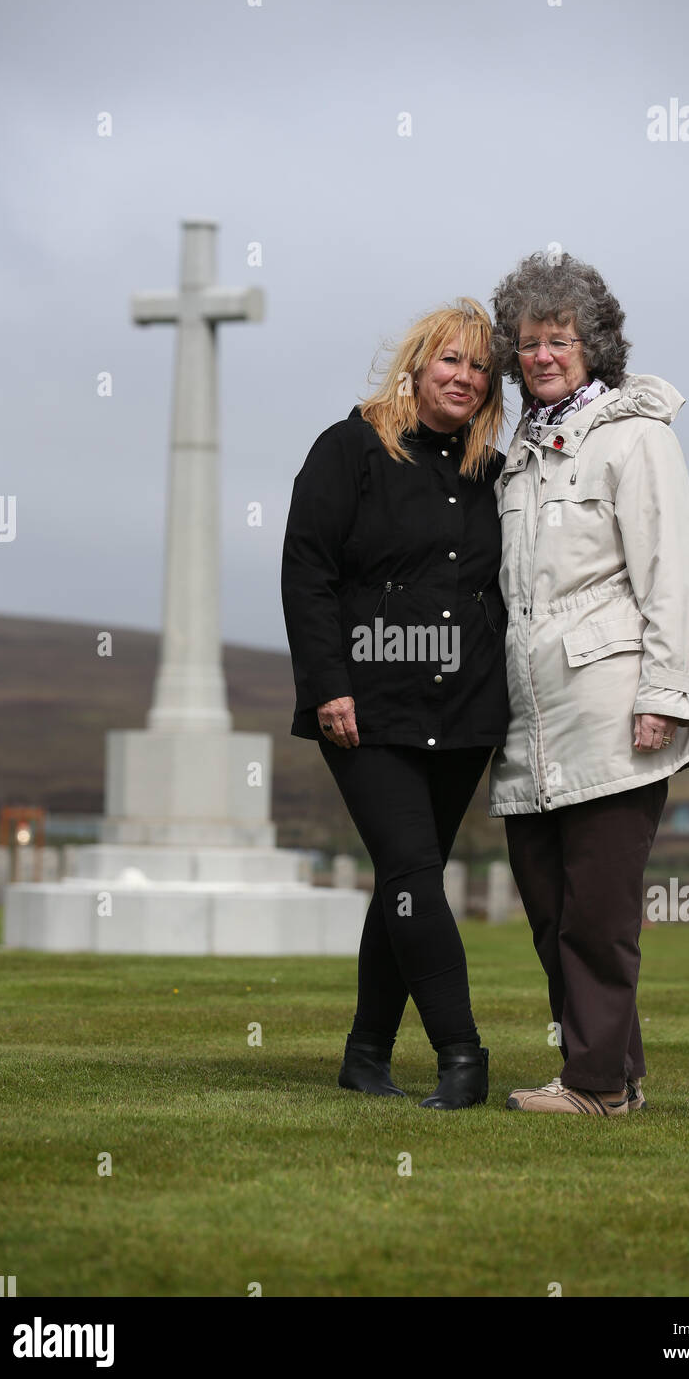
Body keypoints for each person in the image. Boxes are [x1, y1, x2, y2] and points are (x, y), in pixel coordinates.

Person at [488, 251, 689, 1115]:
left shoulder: (636, 439)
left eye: (559, 339)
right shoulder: (520, 455)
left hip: (615, 708)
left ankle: (591, 1088)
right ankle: (617, 1074)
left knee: (598, 916)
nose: (542, 355)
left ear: (593, 345)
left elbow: (673, 574)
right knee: (551, 914)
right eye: (529, 343)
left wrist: (667, 693)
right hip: (532, 719)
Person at [280, 298, 508, 1109]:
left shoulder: (490, 471)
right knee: (412, 871)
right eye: (451, 360)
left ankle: (365, 1052)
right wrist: (327, 683)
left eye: (481, 368)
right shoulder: (349, 450)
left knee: (403, 879)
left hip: (466, 710)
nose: (466, 378)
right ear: (415, 365)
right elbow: (307, 571)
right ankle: (461, 1057)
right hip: (367, 707)